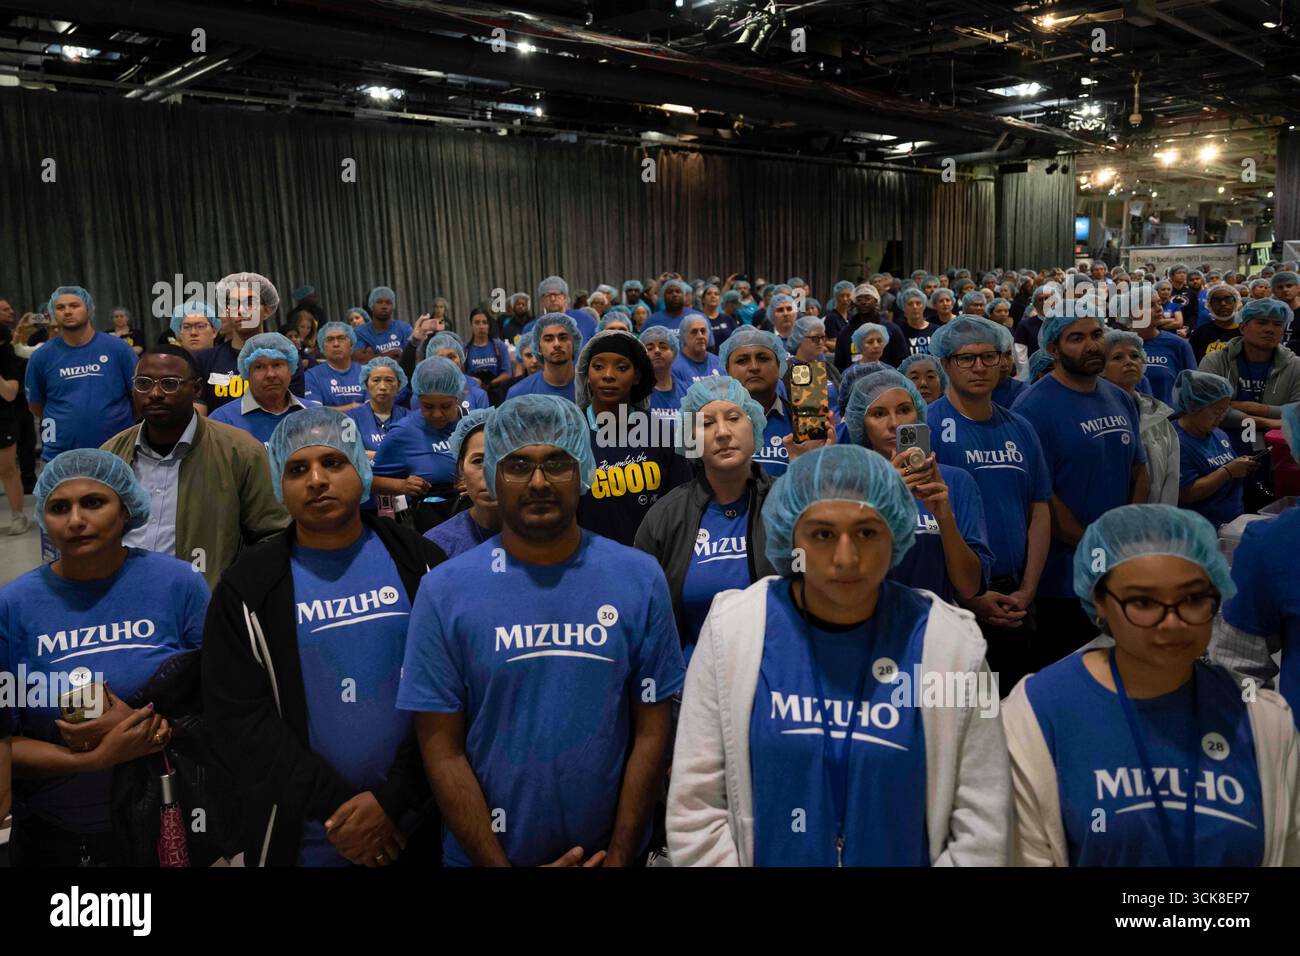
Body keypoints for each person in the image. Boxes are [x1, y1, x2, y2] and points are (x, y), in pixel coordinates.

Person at [667, 443, 1010, 866]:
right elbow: (695, 805)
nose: (846, 558)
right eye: (823, 534)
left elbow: (986, 817)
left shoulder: (956, 645)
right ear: (790, 535)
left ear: (897, 534)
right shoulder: (732, 630)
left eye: (867, 533)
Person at [398, 394, 684, 866]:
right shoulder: (444, 590)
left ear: (583, 471)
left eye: (557, 463)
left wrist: (619, 855)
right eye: (517, 465)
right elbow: (441, 748)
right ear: (492, 474)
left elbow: (653, 731)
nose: (538, 482)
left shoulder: (639, 577)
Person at [202, 409, 444, 866]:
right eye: (297, 469)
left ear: (362, 469)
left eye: (333, 463)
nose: (316, 480)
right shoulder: (248, 587)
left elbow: (453, 691)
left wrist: (393, 802)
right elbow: (239, 720)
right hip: (306, 838)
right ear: (279, 483)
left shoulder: (421, 562)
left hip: (418, 822)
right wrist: (341, 812)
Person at [1002, 505, 1299, 866]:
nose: (1172, 622)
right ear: (1100, 603)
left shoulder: (1263, 721)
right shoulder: (1037, 714)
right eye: (1142, 601)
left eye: (1192, 599)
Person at [0, 450, 210, 865]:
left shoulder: (178, 584)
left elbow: (224, 704)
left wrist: (144, 727)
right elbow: (4, 740)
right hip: (53, 830)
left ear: (126, 510)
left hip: (161, 819)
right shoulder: (14, 606)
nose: (76, 520)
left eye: (93, 503)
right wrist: (95, 758)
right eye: (59, 508)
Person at [1011, 306, 1149, 666]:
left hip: (1118, 564)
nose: (1091, 346)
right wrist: (1096, 544)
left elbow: (1139, 470)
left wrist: (1125, 537)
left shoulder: (1119, 396)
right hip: (1064, 578)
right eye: (1077, 338)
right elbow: (1041, 498)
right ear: (1053, 349)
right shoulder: (1033, 407)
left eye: (1096, 335)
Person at [927, 317, 1052, 690]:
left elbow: (1039, 510)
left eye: (989, 356)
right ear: (945, 364)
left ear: (1004, 361)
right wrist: (972, 596)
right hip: (951, 600)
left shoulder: (1021, 427)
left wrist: (1027, 590)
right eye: (966, 359)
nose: (979, 367)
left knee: (1010, 715)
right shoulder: (926, 426)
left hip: (1016, 597)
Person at [101, 345, 290, 588]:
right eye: (144, 383)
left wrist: (238, 593)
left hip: (208, 601)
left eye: (169, 383)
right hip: (126, 600)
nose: (155, 393)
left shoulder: (239, 452)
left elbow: (272, 534)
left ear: (197, 389)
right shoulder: (111, 454)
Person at [636, 376, 776, 664]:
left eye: (734, 418)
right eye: (707, 423)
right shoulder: (665, 517)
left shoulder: (788, 505)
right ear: (691, 439)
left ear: (755, 426)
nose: (723, 432)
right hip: (692, 687)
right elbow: (642, 614)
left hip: (777, 684)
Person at [846, 369, 992, 606]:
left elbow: (969, 587)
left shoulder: (954, 482)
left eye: (904, 410)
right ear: (860, 424)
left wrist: (945, 518)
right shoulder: (847, 482)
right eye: (878, 413)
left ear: (919, 414)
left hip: (937, 627)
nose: (894, 424)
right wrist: (883, 498)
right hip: (867, 626)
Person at [1212, 401, 1300, 725]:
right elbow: (1241, 673)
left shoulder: (1274, 542)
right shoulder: (1277, 545)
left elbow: (1239, 669)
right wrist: (1262, 740)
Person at [576, 330, 690, 546]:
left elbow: (681, 506)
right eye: (598, 367)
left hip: (653, 560)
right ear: (586, 375)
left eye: (621, 367)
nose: (608, 375)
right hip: (588, 561)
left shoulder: (662, 433)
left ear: (637, 376)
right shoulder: (570, 433)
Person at [25, 286, 137, 462]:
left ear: (89, 309)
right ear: (53, 314)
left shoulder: (118, 348)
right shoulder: (41, 356)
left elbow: (137, 397)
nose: (67, 311)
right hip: (60, 455)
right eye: (60, 308)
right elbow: (37, 406)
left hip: (118, 451)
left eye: (74, 305)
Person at [371, 356, 463, 530]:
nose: (437, 414)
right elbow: (368, 481)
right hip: (431, 524)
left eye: (445, 406)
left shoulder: (470, 425)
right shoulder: (402, 433)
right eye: (428, 407)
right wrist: (401, 486)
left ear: (457, 398)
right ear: (417, 400)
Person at [195, 272, 303, 415]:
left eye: (250, 303)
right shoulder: (205, 360)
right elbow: (200, 418)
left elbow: (295, 415)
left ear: (267, 310)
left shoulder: (286, 358)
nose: (241, 310)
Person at [1101, 331, 1180, 507]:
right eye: (1117, 357)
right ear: (1101, 368)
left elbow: (1171, 478)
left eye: (1135, 356)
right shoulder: (1097, 416)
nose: (1129, 361)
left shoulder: (1157, 414)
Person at [1172, 370, 1255, 530]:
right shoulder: (1177, 442)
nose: (1221, 417)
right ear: (1194, 407)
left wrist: (1242, 466)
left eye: (1224, 411)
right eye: (1216, 412)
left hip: (1231, 524)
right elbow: (1188, 494)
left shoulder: (1218, 434)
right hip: (1200, 529)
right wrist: (1228, 471)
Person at [209, 333, 311, 444]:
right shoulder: (222, 421)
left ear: (290, 368)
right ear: (247, 374)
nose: (270, 374)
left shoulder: (314, 412)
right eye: (259, 367)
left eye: (277, 364)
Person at [423, 408, 499, 558]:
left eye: (500, 459)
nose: (489, 473)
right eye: (478, 461)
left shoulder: (546, 536)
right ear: (460, 470)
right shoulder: (437, 544)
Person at [720, 328, 792, 477]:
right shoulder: (699, 422)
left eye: (763, 358)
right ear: (727, 370)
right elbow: (689, 483)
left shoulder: (803, 422)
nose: (754, 367)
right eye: (742, 360)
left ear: (779, 366)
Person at [1130, 289, 1196, 407]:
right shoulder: (1118, 345)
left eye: (1159, 303)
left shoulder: (1178, 345)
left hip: (1169, 421)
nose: (1159, 308)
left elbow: (1194, 389)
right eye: (1150, 305)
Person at [345, 357, 410, 460]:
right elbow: (348, 454)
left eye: (389, 380)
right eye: (376, 380)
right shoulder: (349, 418)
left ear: (398, 385)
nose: (383, 387)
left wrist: (369, 455)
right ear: (366, 384)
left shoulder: (409, 418)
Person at [506, 313, 580, 402]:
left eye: (563, 338)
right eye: (548, 339)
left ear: (574, 343)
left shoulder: (591, 387)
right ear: (538, 347)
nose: (557, 344)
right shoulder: (519, 394)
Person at [422, 332, 491, 412]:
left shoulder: (478, 396)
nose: (448, 363)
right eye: (441, 359)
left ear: (461, 358)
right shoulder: (423, 397)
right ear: (431, 363)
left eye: (451, 357)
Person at [303, 321, 364, 411]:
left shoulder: (366, 372)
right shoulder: (312, 376)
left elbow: (374, 409)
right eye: (330, 339)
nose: (336, 344)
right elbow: (315, 413)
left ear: (351, 345)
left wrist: (330, 409)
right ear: (322, 347)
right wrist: (353, 407)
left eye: (341, 338)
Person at [0, 323, 26, 533]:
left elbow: (9, 393)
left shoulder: (9, 357)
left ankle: (18, 516)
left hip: (3, 418)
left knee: (7, 469)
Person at [524, 275, 598, 343]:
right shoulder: (531, 328)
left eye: (556, 294)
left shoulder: (584, 319)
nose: (552, 299)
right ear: (542, 301)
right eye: (548, 295)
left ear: (565, 297)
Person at [640, 325, 687, 427]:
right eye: (650, 348)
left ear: (674, 352)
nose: (657, 351)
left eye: (663, 347)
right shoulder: (636, 394)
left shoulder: (688, 391)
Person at [354, 286, 412, 361]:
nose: (384, 306)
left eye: (388, 303)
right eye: (379, 302)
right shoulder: (360, 332)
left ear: (393, 306)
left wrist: (374, 356)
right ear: (371, 305)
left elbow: (414, 357)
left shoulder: (404, 328)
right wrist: (390, 354)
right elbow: (359, 359)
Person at [464, 310, 513, 397]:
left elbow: (507, 373)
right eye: (477, 323)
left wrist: (490, 384)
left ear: (489, 326)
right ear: (471, 326)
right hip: (473, 394)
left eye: (484, 322)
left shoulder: (499, 346)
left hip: (497, 393)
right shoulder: (465, 349)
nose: (481, 326)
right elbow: (460, 375)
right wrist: (474, 382)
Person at [1190, 284, 1243, 362]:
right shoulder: (1200, 333)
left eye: (1228, 299)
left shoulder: (1245, 332)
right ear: (1209, 305)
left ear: (1236, 302)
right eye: (1217, 300)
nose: (1223, 304)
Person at [671, 314, 722, 388]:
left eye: (703, 331)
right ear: (683, 336)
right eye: (694, 332)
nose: (700, 336)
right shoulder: (674, 368)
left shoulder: (719, 363)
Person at [897, 288, 938, 356]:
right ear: (903, 308)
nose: (915, 307)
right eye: (910, 304)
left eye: (918, 303)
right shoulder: (899, 332)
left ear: (924, 306)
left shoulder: (936, 330)